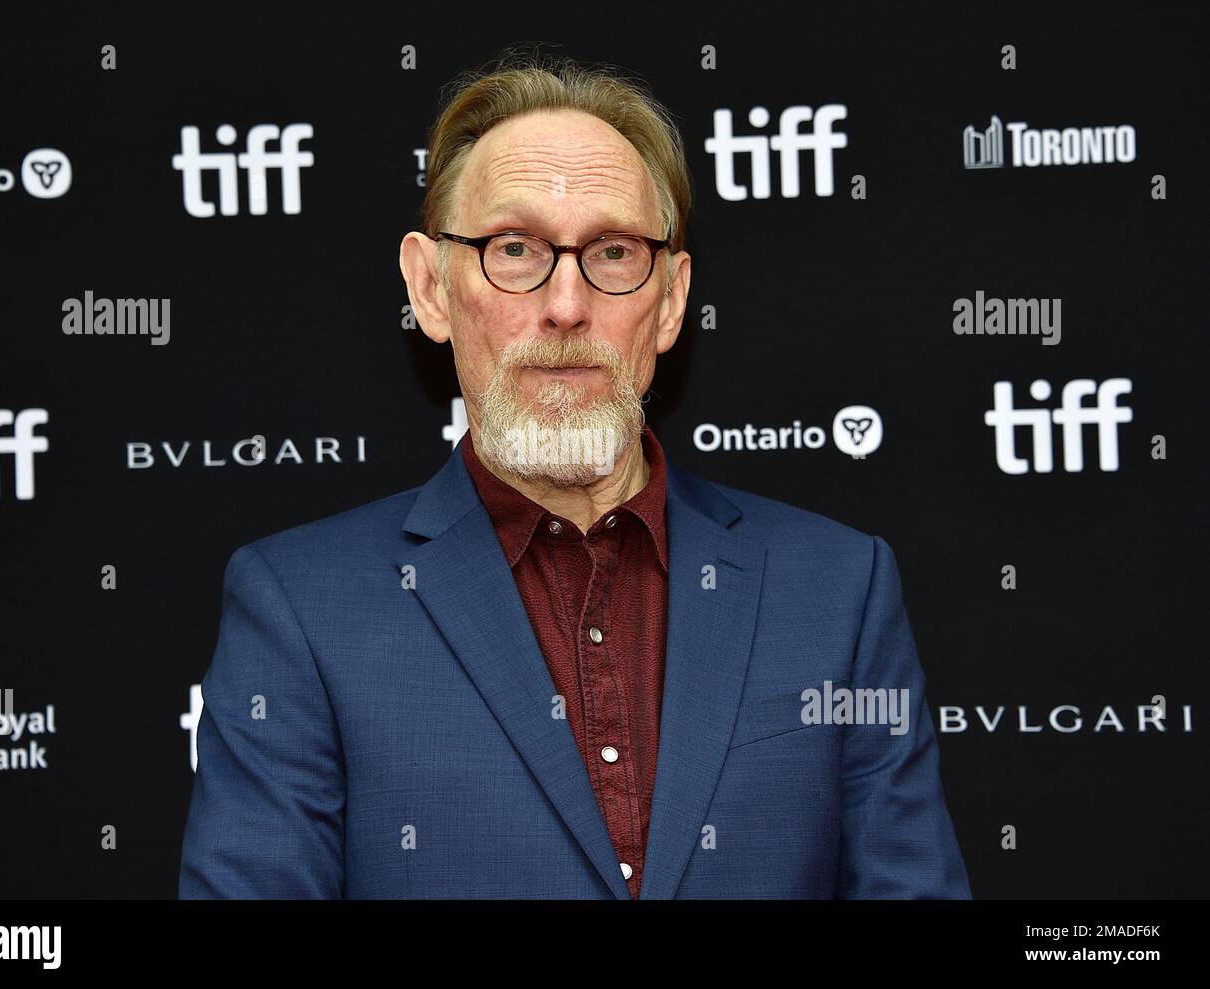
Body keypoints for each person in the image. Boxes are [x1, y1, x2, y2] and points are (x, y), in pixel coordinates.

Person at [178, 52, 971, 899]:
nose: (565, 304)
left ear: (669, 300)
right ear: (431, 287)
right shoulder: (301, 607)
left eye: (614, 251)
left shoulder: (838, 590)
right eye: (514, 249)